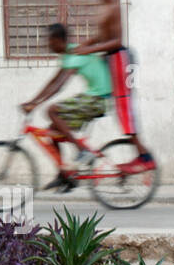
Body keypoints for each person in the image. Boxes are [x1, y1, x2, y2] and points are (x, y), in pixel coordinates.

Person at [70, 0, 155, 164]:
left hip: (120, 59)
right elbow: (103, 36)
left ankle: (144, 156)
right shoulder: (104, 7)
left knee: (124, 107)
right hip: (110, 60)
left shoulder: (114, 7)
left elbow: (116, 41)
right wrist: (86, 44)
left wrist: (89, 50)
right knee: (105, 103)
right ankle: (84, 147)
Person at [20, 23, 112, 191]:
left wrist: (36, 104)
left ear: (57, 40)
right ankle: (64, 176)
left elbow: (59, 85)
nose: (47, 45)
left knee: (52, 110)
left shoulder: (74, 54)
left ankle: (82, 150)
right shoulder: (68, 55)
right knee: (52, 131)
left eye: (49, 41)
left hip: (98, 98)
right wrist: (32, 101)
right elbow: (53, 82)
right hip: (94, 97)